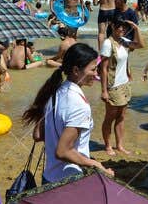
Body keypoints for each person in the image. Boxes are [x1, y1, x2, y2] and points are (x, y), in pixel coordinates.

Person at [22, 43, 112, 182]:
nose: (96, 74)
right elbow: (63, 151)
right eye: (93, 70)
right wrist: (96, 164)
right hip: (68, 181)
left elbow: (37, 135)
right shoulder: (80, 105)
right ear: (76, 70)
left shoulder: (54, 92)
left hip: (48, 177)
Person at [100, 18, 140, 155]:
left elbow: (140, 45)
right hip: (113, 85)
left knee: (121, 116)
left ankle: (120, 145)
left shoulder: (123, 41)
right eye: (119, 27)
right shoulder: (107, 43)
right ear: (112, 27)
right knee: (110, 117)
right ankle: (107, 146)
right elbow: (103, 68)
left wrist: (136, 29)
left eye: (123, 28)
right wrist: (104, 90)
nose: (122, 30)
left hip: (124, 84)